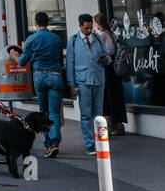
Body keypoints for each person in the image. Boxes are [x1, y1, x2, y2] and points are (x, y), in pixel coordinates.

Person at [18, 11, 65, 158]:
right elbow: (59, 59)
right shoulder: (56, 39)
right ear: (48, 23)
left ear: (36, 23)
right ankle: (55, 143)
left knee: (43, 112)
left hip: (39, 75)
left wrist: (15, 56)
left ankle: (48, 144)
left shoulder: (32, 39)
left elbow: (22, 61)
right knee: (55, 113)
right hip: (55, 75)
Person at [66, 13, 110, 154]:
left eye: (91, 27)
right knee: (86, 114)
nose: (90, 30)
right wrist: (71, 85)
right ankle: (90, 144)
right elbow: (70, 64)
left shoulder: (98, 38)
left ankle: (102, 142)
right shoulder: (73, 41)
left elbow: (108, 58)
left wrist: (106, 59)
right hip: (82, 81)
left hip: (98, 80)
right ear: (80, 26)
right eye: (86, 28)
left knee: (99, 114)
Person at [94, 12, 127, 135]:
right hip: (114, 69)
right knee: (116, 96)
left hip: (107, 69)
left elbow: (98, 52)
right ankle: (119, 125)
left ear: (98, 23)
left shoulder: (102, 34)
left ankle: (113, 126)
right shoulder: (111, 33)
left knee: (108, 98)